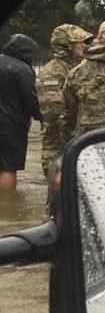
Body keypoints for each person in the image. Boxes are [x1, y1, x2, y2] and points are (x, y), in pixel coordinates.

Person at [35, 24, 93, 180]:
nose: (83, 45)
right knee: (60, 197)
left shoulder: (83, 67)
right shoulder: (52, 72)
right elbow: (54, 113)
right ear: (65, 45)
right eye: (79, 42)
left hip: (79, 143)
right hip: (58, 146)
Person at [0, 35, 42, 192]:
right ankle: (8, 205)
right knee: (8, 167)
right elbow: (31, 99)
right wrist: (41, 116)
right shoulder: (23, 70)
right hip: (10, 126)